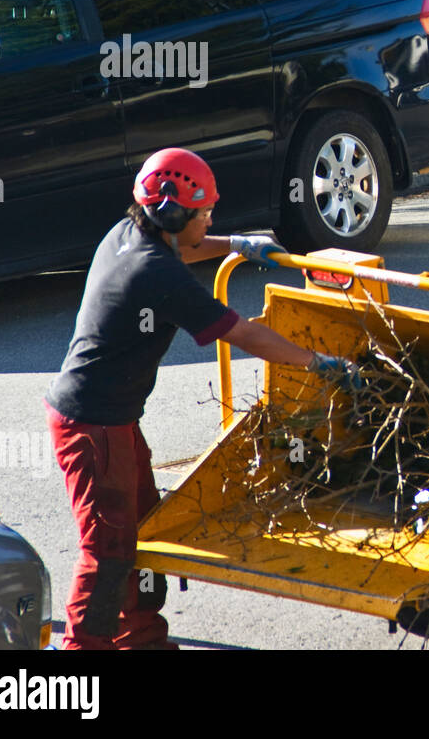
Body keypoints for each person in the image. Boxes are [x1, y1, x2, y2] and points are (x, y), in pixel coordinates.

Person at [43, 147, 357, 650]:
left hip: (111, 420)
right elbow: (246, 335)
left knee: (143, 529)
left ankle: (140, 637)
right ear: (173, 213)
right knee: (108, 549)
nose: (211, 219)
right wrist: (316, 362)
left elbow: (183, 249)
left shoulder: (127, 234)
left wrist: (235, 244)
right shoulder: (157, 275)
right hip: (92, 427)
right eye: (206, 213)